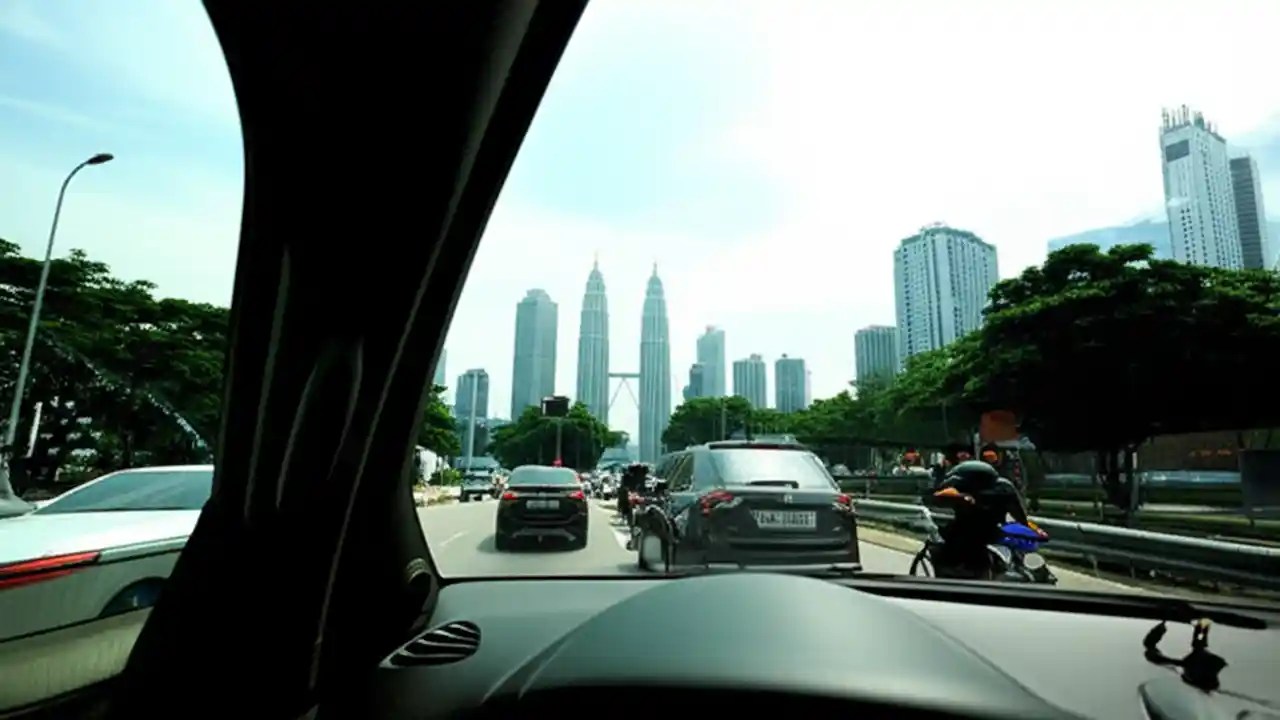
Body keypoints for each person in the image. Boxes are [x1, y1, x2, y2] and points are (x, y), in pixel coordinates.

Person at [926, 460, 1039, 579]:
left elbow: (935, 500)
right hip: (993, 531)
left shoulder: (957, 484)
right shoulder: (1004, 487)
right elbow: (1019, 513)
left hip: (968, 531)